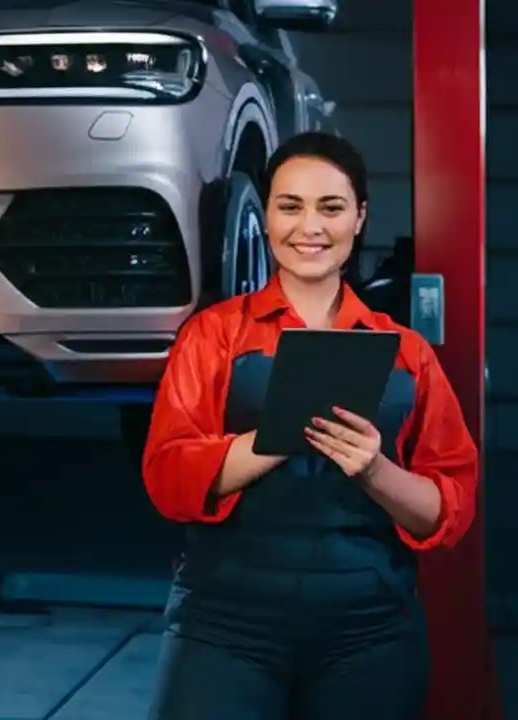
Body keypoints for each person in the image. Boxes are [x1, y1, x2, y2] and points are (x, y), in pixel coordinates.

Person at [141, 131, 478, 720]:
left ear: (359, 218)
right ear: (266, 218)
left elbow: (446, 510)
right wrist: (271, 439)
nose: (309, 227)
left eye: (331, 207)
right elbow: (167, 477)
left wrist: (374, 470)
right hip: (224, 627)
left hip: (369, 633)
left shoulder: (408, 353)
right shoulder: (213, 335)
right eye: (289, 206)